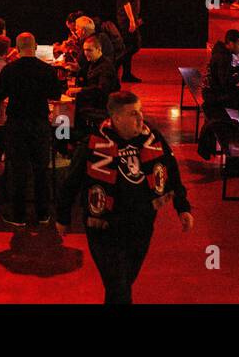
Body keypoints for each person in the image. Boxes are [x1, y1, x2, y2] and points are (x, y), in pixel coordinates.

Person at [57, 91, 193, 304]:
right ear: (116, 118)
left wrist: (182, 207)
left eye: (140, 112)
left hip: (141, 225)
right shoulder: (92, 145)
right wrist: (62, 218)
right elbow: (70, 183)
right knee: (119, 286)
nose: (141, 118)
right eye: (133, 114)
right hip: (105, 228)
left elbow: (171, 171)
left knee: (123, 282)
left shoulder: (152, 139)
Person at [0, 32, 62, 226]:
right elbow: (56, 93)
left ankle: (19, 215)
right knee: (41, 169)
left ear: (17, 48)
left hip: (17, 124)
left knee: (18, 169)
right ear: (36, 46)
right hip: (39, 123)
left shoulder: (9, 70)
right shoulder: (47, 70)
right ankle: (43, 213)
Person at [74, 35, 120, 133]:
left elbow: (102, 90)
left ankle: (66, 138)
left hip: (100, 106)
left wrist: (80, 90)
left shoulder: (105, 67)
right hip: (93, 101)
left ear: (98, 49)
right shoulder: (94, 62)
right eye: (84, 50)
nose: (86, 53)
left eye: (89, 50)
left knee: (65, 111)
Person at [114, 0, 142, 83]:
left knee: (129, 45)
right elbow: (126, 2)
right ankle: (116, 67)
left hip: (129, 18)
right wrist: (131, 20)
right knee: (133, 45)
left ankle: (126, 73)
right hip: (126, 19)